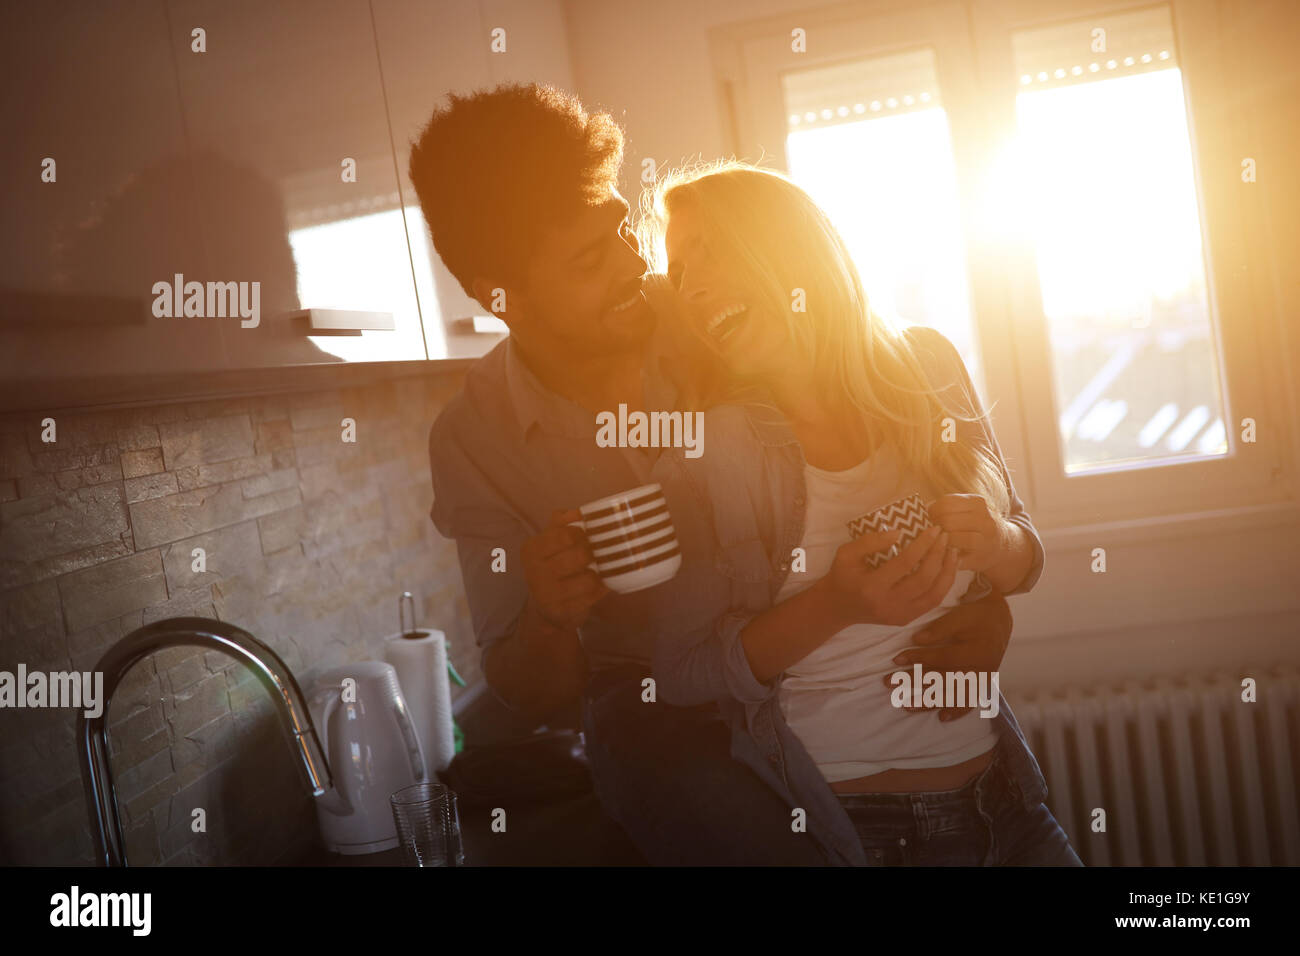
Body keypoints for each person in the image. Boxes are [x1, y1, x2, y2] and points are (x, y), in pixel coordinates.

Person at [413, 83, 1028, 865]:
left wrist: (986, 593)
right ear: (498, 296)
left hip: (815, 655)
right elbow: (525, 687)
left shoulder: (714, 311)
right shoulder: (472, 440)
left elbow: (887, 418)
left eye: (621, 228)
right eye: (590, 259)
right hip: (658, 710)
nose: (637, 262)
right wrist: (548, 612)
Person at [643, 160, 1083, 865]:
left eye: (710, 253)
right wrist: (836, 603)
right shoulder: (711, 448)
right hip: (861, 831)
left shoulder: (929, 366)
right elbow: (681, 670)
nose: (689, 286)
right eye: (678, 269)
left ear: (791, 250)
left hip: (1008, 802)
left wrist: (997, 542)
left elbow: (1025, 554)